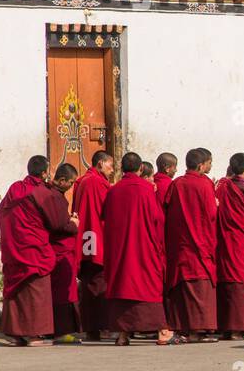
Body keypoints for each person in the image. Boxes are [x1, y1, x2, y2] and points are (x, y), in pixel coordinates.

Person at [0, 156, 79, 347]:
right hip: (33, 249)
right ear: (44, 173)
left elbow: (3, 212)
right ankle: (35, 335)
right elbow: (58, 223)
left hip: (13, 247)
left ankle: (16, 335)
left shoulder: (14, 188)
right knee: (37, 291)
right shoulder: (41, 192)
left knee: (16, 292)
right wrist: (73, 224)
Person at [102, 152, 169, 346]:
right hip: (143, 247)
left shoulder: (113, 191)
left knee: (122, 285)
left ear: (122, 169)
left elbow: (105, 216)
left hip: (120, 249)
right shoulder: (147, 189)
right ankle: (161, 331)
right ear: (141, 169)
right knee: (148, 285)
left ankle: (123, 335)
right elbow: (158, 219)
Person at [164, 148, 218, 343]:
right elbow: (211, 215)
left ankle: (183, 328)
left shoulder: (177, 184)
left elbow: (167, 210)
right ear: (201, 165)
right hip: (202, 242)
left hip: (181, 244)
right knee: (201, 285)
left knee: (183, 288)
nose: (211, 166)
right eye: (210, 163)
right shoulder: (205, 185)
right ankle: (198, 330)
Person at [215, 154, 244, 339]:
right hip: (243, 241)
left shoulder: (223, 188)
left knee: (227, 281)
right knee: (241, 284)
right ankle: (237, 329)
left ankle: (226, 327)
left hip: (224, 240)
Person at [72, 150, 113, 341]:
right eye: (109, 165)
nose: (112, 170)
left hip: (86, 237)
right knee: (99, 282)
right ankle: (101, 326)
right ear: (99, 164)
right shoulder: (97, 183)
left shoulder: (83, 181)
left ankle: (90, 327)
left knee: (89, 282)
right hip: (98, 236)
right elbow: (107, 210)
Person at [49, 163, 82, 339]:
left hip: (61, 251)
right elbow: (58, 225)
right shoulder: (54, 197)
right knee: (62, 291)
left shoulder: (55, 196)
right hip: (59, 252)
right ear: (62, 181)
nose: (71, 186)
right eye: (71, 182)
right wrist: (73, 224)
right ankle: (61, 331)